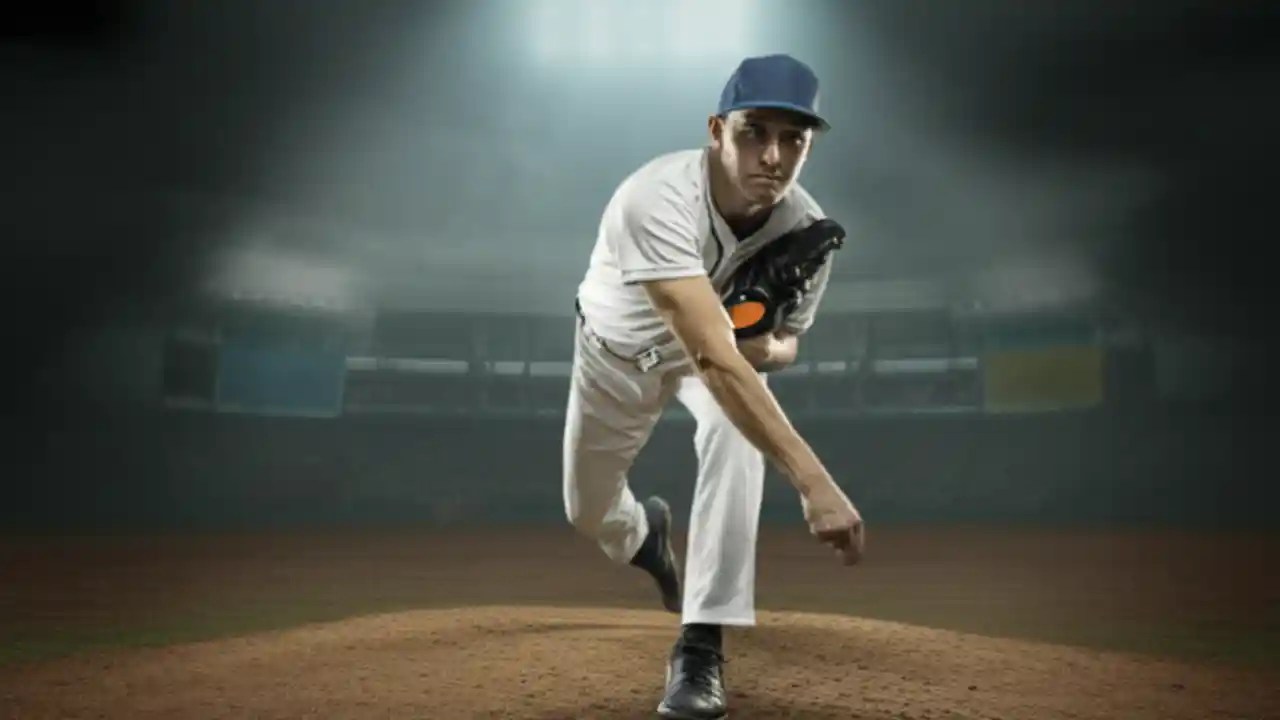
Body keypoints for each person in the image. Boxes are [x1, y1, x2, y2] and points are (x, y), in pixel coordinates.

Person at [563, 53, 865, 720]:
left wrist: (767, 346)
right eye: (755, 131)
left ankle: (701, 645)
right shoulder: (656, 198)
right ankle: (645, 541)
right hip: (616, 356)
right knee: (586, 509)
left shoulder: (806, 229)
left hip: (714, 360)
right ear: (716, 129)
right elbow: (710, 352)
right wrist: (815, 482)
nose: (774, 155)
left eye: (795, 139)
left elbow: (781, 349)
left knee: (740, 430)